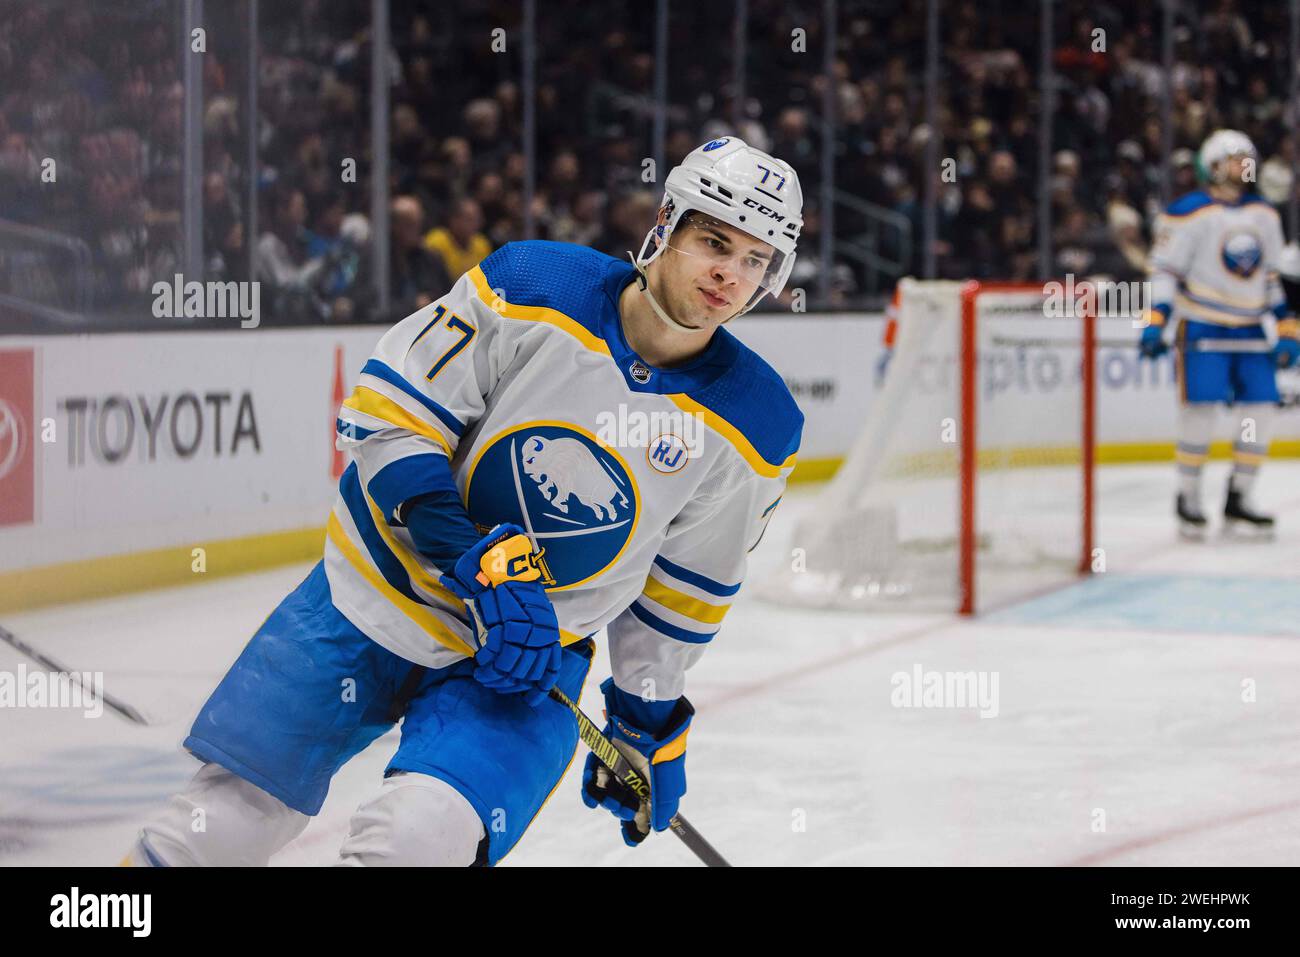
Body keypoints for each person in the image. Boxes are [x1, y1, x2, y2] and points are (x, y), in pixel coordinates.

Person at [126, 137, 804, 866]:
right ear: (667, 221)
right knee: (218, 822)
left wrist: (646, 723)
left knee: (417, 841)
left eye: (756, 260)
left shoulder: (755, 423)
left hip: (519, 660)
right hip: (372, 592)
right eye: (715, 242)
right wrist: (471, 561)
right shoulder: (535, 284)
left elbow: (679, 592)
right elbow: (392, 417)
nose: (730, 275)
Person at [1139, 129, 1299, 539]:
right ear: (1211, 164)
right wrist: (1157, 318)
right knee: (1200, 415)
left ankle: (1239, 496)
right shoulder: (1187, 212)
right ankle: (1188, 497)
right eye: (1236, 158)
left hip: (1249, 330)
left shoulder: (1264, 214)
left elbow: (1272, 277)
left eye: (1248, 158)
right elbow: (1165, 271)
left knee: (1261, 412)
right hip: (1203, 327)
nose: (1245, 166)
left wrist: (1286, 326)